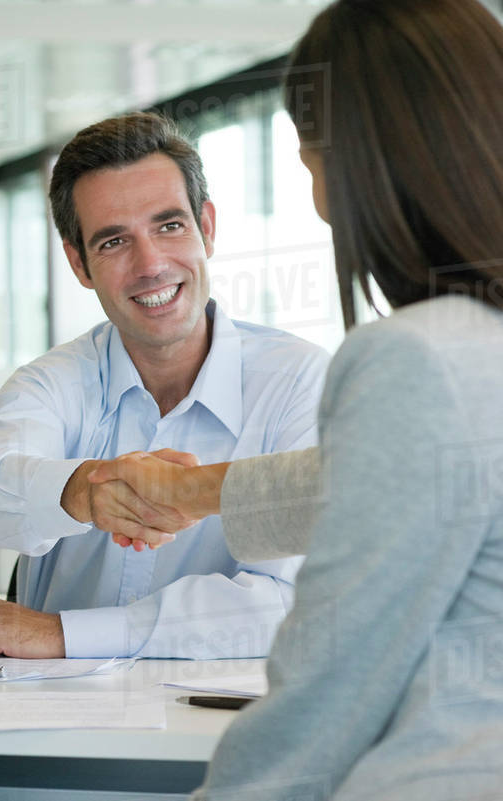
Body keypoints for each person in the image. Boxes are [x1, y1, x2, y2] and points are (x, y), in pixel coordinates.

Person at [124, 1, 503, 798]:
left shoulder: (417, 355)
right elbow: (399, 482)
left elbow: (334, 679)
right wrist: (194, 490)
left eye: (310, 165)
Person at [0, 112, 330, 660]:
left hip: (216, 726)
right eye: (113, 242)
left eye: (169, 226)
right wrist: (83, 489)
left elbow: (291, 605)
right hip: (48, 719)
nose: (150, 264)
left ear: (208, 228)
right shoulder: (56, 380)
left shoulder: (299, 383)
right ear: (79, 263)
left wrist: (66, 635)